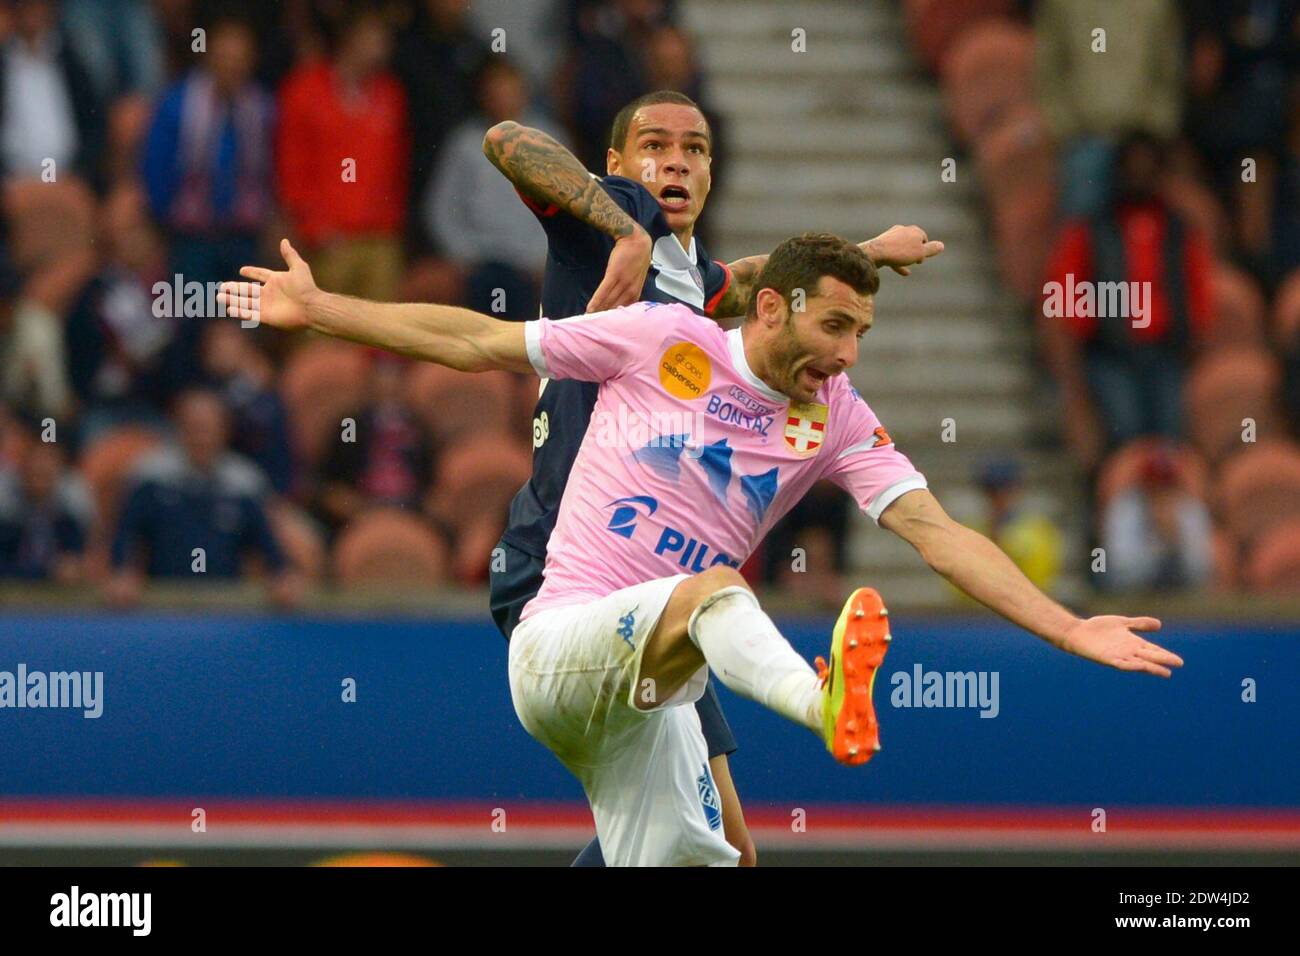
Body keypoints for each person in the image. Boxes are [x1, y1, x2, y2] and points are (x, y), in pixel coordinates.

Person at [218, 231, 1183, 867]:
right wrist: (326, 310)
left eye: (864, 332)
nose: (849, 354)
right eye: (835, 325)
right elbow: (476, 341)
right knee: (716, 590)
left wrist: (1066, 627)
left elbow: (937, 535)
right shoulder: (660, 340)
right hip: (561, 645)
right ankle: (822, 699)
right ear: (772, 309)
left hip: (652, 697)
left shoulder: (838, 418)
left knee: (733, 863)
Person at [480, 89, 944, 865]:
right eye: (655, 144)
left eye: (695, 149)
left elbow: (772, 285)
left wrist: (865, 255)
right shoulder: (599, 228)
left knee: (720, 846)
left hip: (657, 588)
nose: (677, 161)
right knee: (697, 841)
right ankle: (811, 702)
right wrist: (624, 226)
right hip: (566, 572)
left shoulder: (690, 281)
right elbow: (506, 139)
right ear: (617, 164)